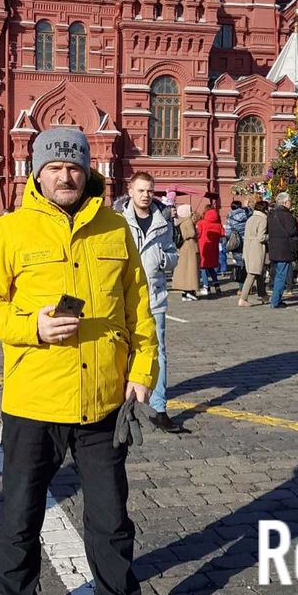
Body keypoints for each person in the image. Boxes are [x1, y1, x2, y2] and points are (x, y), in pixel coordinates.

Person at [0, 127, 167, 595]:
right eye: (53, 166)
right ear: (37, 172)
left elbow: (139, 304)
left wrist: (142, 371)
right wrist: (29, 326)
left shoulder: (114, 228)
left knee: (112, 521)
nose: (65, 175)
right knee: (20, 518)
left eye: (73, 166)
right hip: (34, 402)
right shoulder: (9, 230)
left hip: (102, 404)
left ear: (87, 171)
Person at [117, 171, 181, 433]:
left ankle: (159, 409)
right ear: (130, 191)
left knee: (158, 351)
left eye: (150, 191)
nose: (145, 195)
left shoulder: (163, 221)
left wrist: (162, 259)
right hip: (122, 297)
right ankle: (120, 401)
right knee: (120, 350)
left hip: (154, 296)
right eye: (141, 190)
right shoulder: (117, 220)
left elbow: (173, 254)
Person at [267, 192, 298, 309]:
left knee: (277, 274)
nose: (291, 203)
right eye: (290, 201)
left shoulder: (271, 215)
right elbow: (291, 231)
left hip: (274, 248)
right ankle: (275, 301)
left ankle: (276, 299)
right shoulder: (287, 216)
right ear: (285, 202)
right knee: (281, 275)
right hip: (284, 249)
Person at [238, 200, 270, 306]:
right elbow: (261, 237)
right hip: (256, 249)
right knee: (252, 273)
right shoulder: (263, 220)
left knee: (258, 273)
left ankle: (263, 295)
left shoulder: (250, 219)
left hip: (248, 247)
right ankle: (243, 298)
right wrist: (269, 236)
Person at [171, 204, 200, 301]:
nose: (191, 212)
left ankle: (185, 292)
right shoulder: (188, 221)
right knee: (191, 270)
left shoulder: (180, 221)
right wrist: (196, 232)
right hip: (190, 247)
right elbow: (191, 233)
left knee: (184, 270)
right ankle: (190, 291)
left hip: (183, 248)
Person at [196, 208, 225, 296]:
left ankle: (206, 286)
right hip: (214, 249)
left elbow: (198, 234)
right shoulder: (218, 225)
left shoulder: (201, 223)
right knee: (211, 267)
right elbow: (223, 233)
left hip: (204, 247)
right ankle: (216, 284)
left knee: (203, 267)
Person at [225, 200, 251, 287]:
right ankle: (248, 285)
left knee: (239, 264)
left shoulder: (230, 217)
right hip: (247, 241)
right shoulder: (247, 213)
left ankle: (241, 287)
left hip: (237, 242)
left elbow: (227, 232)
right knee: (248, 263)